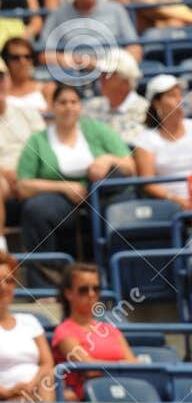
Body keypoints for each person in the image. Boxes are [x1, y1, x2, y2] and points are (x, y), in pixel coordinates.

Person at [16, 81, 132, 266]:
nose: (69, 107)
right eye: (62, 103)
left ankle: (114, 270)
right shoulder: (38, 140)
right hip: (60, 201)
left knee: (117, 197)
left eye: (73, 102)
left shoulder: (98, 130)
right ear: (53, 107)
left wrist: (108, 159)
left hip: (101, 197)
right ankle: (47, 276)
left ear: (80, 106)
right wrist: (64, 187)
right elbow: (23, 185)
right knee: (35, 210)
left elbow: (130, 166)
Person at [51, 257, 136, 403]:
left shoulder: (110, 329)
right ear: (68, 293)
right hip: (88, 402)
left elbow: (135, 365)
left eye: (96, 289)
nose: (91, 294)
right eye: (83, 290)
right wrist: (122, 366)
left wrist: (103, 368)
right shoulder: (64, 331)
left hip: (125, 393)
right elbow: (88, 367)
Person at [133, 75, 192, 207]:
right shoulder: (146, 139)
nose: (179, 100)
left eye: (180, 95)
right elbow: (149, 184)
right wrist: (177, 200)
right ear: (156, 103)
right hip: (173, 207)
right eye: (172, 96)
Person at [0, 251, 57, 403]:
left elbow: (47, 363)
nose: (3, 287)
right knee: (64, 400)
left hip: (36, 390)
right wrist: (7, 391)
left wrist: (32, 384)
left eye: (9, 281)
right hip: (6, 400)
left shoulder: (29, 321)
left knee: (52, 388)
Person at [40, 0, 140, 71]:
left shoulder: (116, 9)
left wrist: (112, 64)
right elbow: (43, 54)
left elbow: (135, 49)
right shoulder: (58, 15)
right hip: (73, 75)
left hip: (112, 73)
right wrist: (71, 60)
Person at [0, 56, 42, 212]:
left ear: (8, 80)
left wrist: (23, 173)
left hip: (30, 175)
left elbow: (44, 149)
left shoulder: (27, 112)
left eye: (1, 78)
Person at [82, 49, 147, 147]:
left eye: (108, 75)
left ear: (125, 81)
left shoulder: (145, 111)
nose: (101, 79)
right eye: (102, 74)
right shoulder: (89, 108)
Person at [2, 38, 48, 118]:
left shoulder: (46, 89)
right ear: (6, 61)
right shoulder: (1, 92)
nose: (23, 62)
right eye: (15, 57)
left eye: (27, 57)